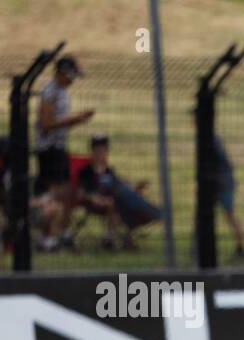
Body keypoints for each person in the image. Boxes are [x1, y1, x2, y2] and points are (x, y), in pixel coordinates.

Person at [33, 55, 94, 251]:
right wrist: (75, 120)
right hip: (49, 150)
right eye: (70, 76)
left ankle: (64, 234)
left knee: (67, 193)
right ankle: (47, 237)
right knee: (53, 197)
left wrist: (74, 120)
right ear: (61, 73)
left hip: (58, 148)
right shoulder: (49, 91)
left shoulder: (62, 92)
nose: (72, 80)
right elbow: (46, 123)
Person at [76, 133, 162, 249]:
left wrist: (136, 188)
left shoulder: (109, 171)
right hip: (100, 202)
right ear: (92, 151)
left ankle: (122, 235)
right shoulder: (86, 171)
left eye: (103, 150)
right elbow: (82, 193)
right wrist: (94, 198)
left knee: (123, 194)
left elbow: (120, 185)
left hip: (117, 200)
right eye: (97, 150)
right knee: (119, 200)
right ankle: (153, 213)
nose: (100, 154)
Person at [212, 134, 244, 259]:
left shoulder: (210, 139)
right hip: (219, 182)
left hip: (220, 184)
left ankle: (241, 248)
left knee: (229, 216)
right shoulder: (213, 138)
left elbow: (215, 163)